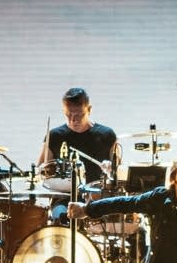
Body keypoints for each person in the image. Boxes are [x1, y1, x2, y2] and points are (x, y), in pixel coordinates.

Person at [38, 87, 118, 222]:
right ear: (64, 111)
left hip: (96, 200)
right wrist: (42, 170)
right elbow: (41, 169)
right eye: (68, 115)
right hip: (64, 199)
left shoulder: (106, 135)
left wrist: (111, 168)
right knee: (61, 217)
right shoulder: (55, 136)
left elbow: (118, 173)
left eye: (79, 115)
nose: (73, 120)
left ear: (89, 109)